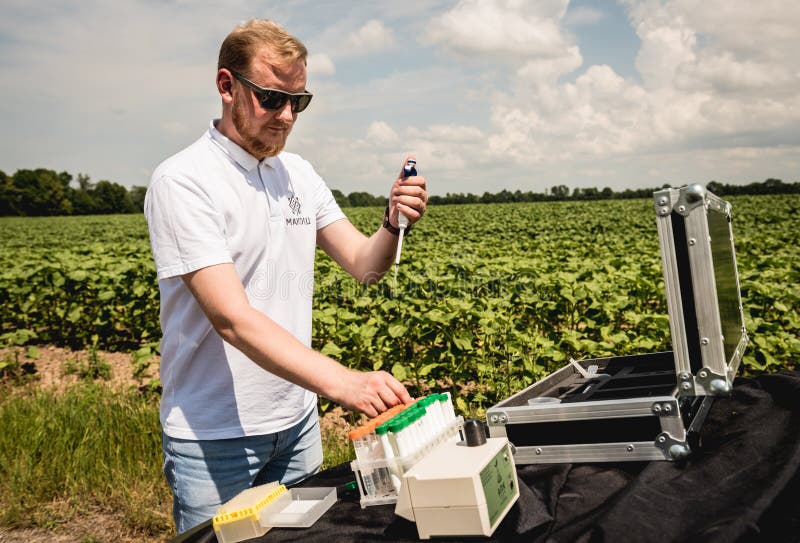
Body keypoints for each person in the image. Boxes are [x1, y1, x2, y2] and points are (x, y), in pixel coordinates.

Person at [144, 19, 427, 533]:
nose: (287, 115)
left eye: (300, 100)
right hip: (215, 438)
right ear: (226, 86)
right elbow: (231, 318)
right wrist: (345, 382)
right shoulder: (183, 180)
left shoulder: (299, 173)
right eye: (272, 98)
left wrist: (391, 221)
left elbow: (365, 266)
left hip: (297, 427)